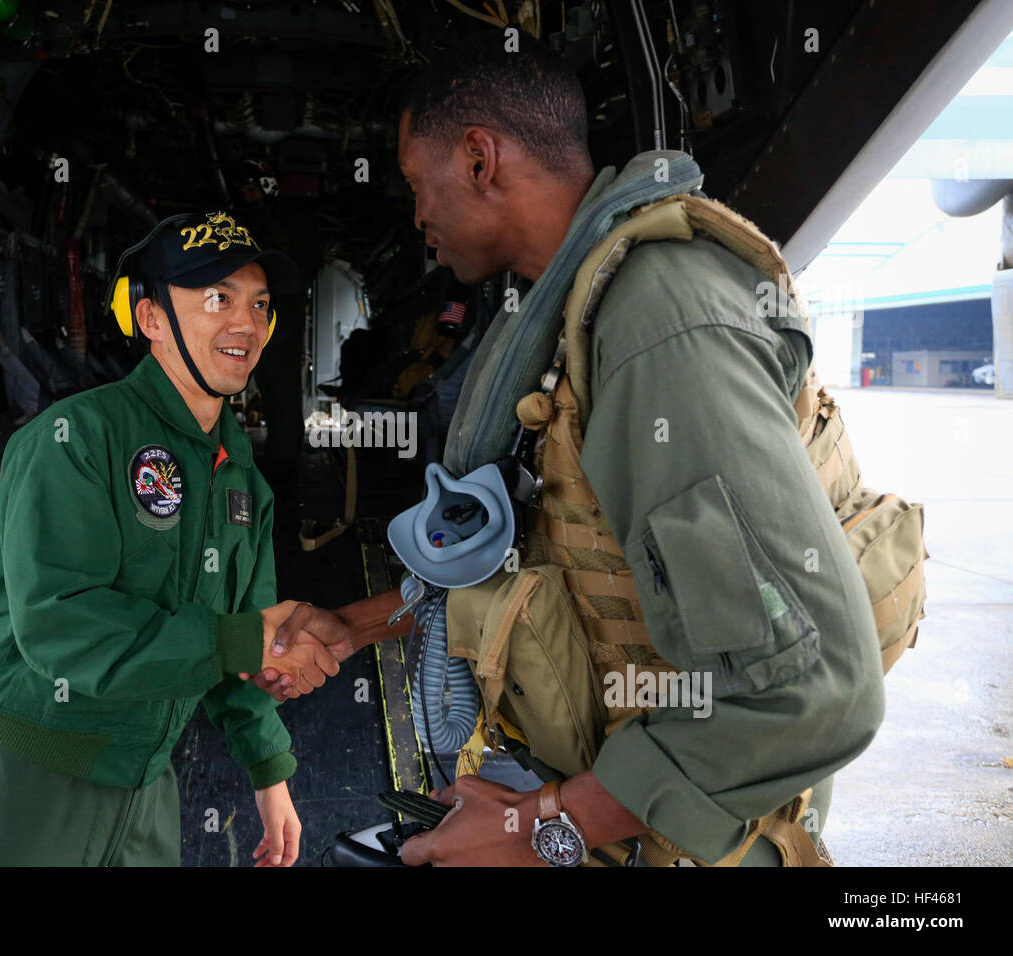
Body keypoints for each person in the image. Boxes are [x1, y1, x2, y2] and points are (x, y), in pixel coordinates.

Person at [255, 33, 885, 867]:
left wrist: (542, 824)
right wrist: (349, 625)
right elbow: (538, 543)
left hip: (697, 841)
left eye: (418, 184)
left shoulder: (659, 325)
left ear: (480, 158)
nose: (417, 217)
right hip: (631, 811)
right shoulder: (562, 320)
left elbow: (812, 691)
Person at [0, 209, 345, 867]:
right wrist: (242, 638)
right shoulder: (74, 441)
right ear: (151, 320)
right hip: (28, 779)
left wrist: (269, 771)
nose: (246, 323)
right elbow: (60, 625)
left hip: (146, 783)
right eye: (216, 298)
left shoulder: (238, 476)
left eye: (260, 303)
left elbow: (247, 637)